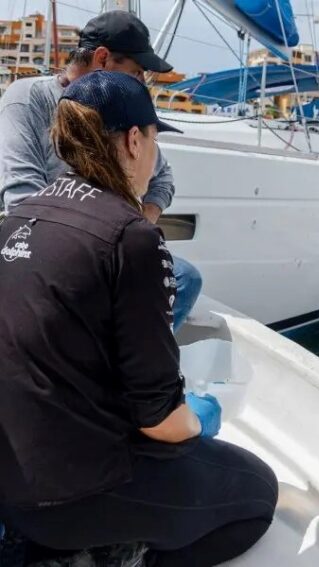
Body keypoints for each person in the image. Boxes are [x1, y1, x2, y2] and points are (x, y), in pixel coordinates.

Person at [0, 72, 277, 566]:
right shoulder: (130, 238)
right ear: (134, 140)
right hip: (73, 496)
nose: (154, 153)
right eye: (153, 138)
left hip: (11, 483)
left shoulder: (16, 219)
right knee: (257, 493)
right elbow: (160, 422)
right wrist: (200, 415)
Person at [0, 10, 201, 331]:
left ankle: (102, 368)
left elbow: (162, 178)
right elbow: (21, 200)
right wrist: (103, 247)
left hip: (103, 249)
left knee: (184, 277)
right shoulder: (28, 99)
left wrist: (134, 234)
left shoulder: (118, 107)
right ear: (103, 59)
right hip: (37, 246)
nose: (141, 84)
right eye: (137, 73)